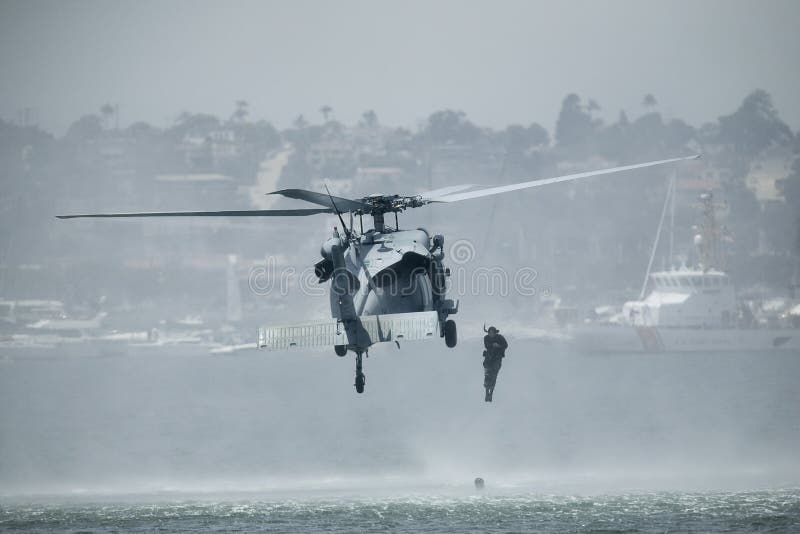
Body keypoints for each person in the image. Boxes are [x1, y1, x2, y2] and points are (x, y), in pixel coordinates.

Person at [482, 325, 507, 402]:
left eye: (493, 332)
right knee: (487, 376)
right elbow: (487, 346)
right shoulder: (486, 338)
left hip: (497, 359)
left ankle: (491, 394)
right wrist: (493, 345)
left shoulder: (500, 337)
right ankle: (487, 393)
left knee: (494, 376)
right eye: (490, 332)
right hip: (488, 359)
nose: (491, 334)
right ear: (488, 332)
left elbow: (505, 345)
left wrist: (499, 346)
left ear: (495, 333)